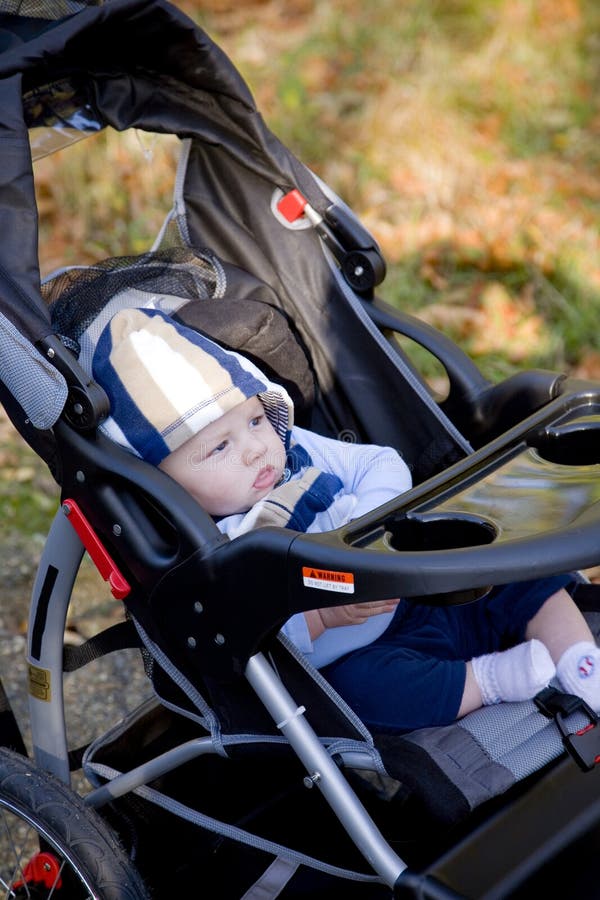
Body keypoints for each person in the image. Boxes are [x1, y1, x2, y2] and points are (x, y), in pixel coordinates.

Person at [92, 306, 600, 733]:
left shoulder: (295, 451)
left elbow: (382, 464)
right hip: (364, 653)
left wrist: (365, 531)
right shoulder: (217, 544)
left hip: (417, 589)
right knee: (362, 696)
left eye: (253, 420)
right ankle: (491, 681)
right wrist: (321, 616)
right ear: (165, 480)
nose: (254, 449)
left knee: (519, 573)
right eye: (219, 447)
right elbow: (254, 641)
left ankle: (582, 665)